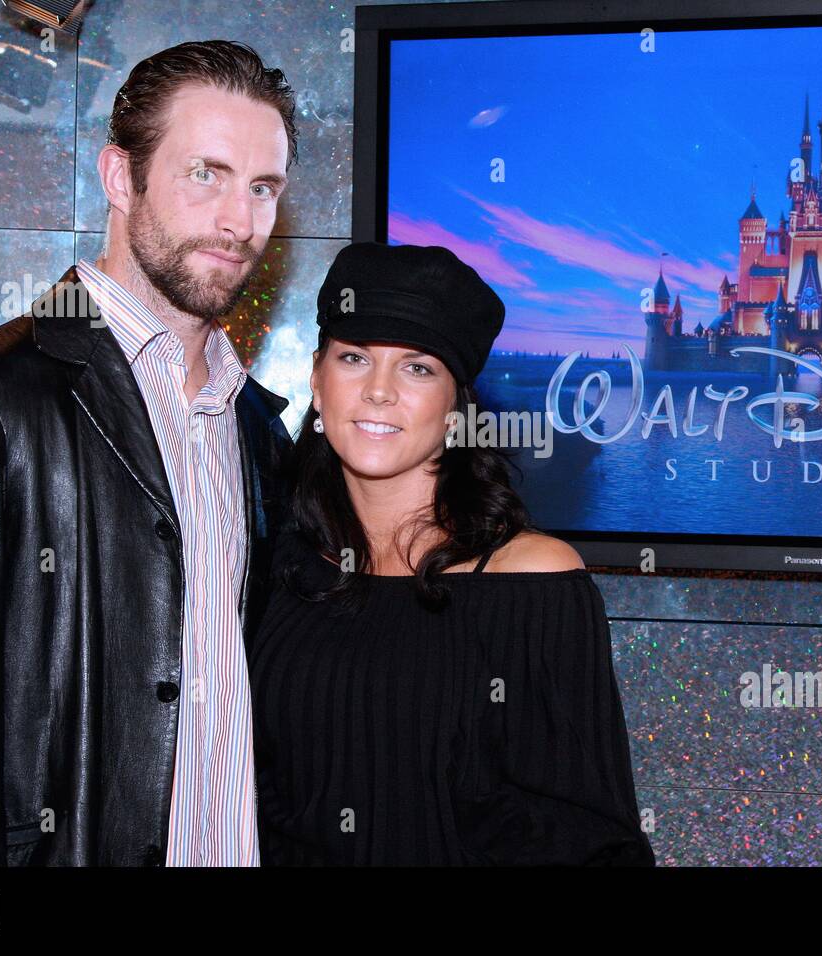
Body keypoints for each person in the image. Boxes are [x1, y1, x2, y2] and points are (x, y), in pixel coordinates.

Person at [0, 40, 297, 866]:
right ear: (120, 177)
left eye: (263, 186)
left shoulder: (257, 430)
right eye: (207, 172)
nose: (240, 220)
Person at [249, 241, 656, 865]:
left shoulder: (533, 581)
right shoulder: (275, 563)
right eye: (355, 358)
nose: (379, 391)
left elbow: (591, 837)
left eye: (418, 368)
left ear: (456, 404)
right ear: (316, 377)